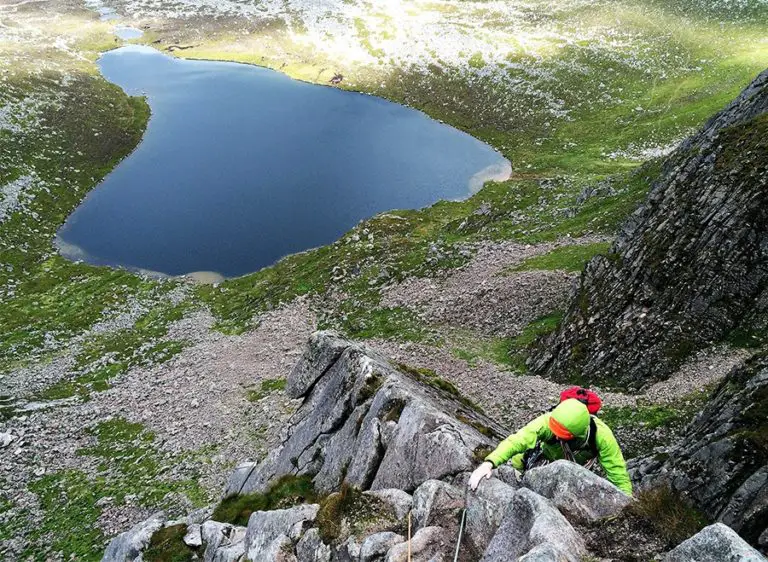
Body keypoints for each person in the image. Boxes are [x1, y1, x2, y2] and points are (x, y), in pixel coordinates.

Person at [468, 398, 632, 495]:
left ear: (576, 433)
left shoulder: (603, 437)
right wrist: (488, 463)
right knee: (520, 469)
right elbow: (518, 440)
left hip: (572, 467)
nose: (555, 434)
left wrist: (627, 505)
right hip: (542, 457)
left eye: (561, 434)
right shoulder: (548, 421)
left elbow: (618, 473)